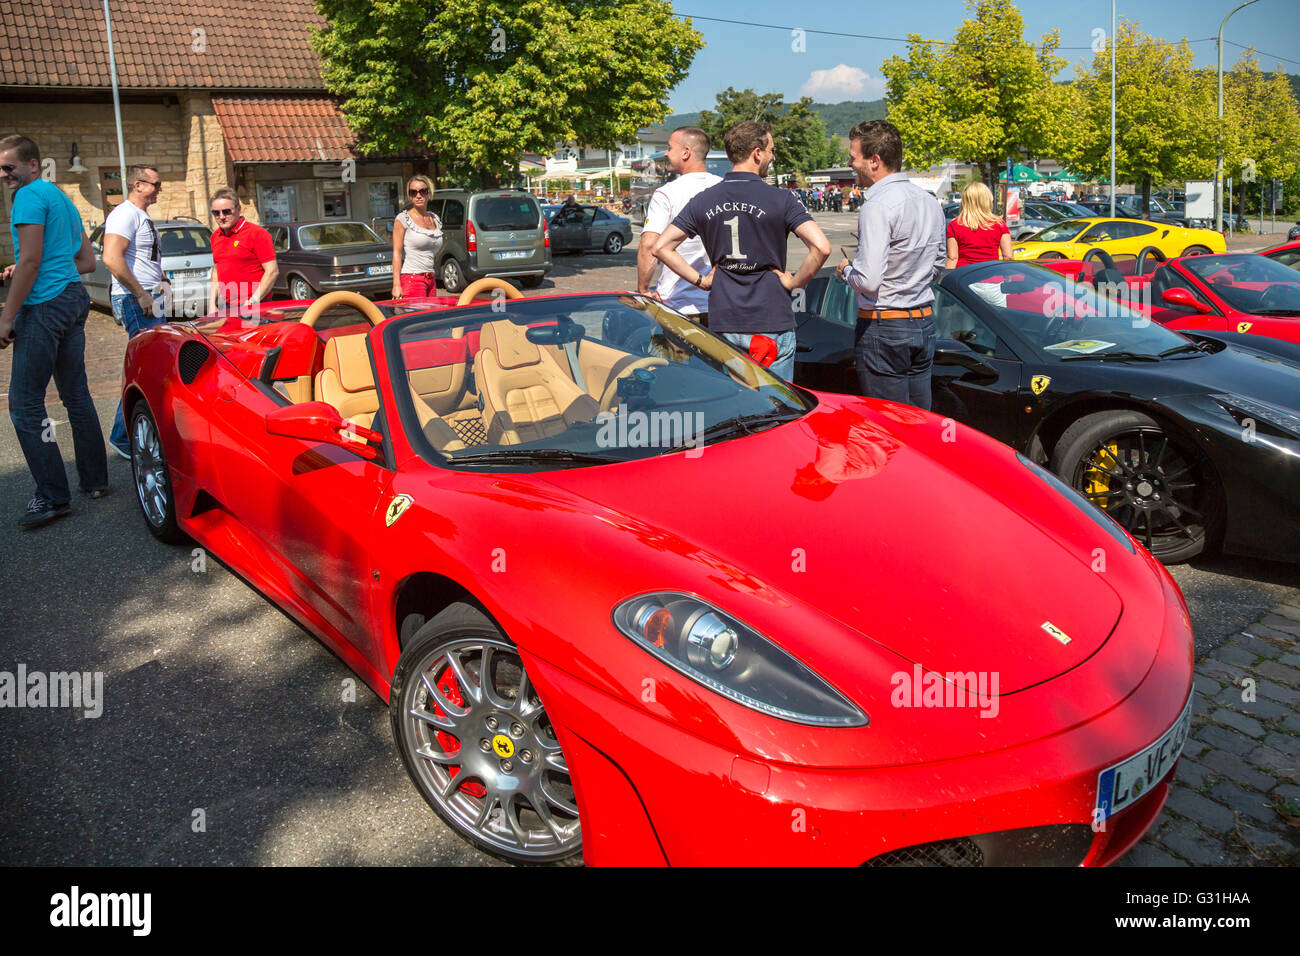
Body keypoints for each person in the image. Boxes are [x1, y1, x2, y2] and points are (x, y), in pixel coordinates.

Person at [654, 121, 830, 380]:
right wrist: (794, 282)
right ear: (757, 153)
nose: (773, 156)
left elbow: (661, 247)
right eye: (771, 149)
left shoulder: (704, 199)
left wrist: (701, 281)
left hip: (725, 319)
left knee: (738, 404)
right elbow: (822, 247)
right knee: (778, 405)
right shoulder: (781, 199)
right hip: (771, 319)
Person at [0, 134, 108, 527]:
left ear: (32, 164)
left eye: (9, 167)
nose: (4, 175)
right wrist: (31, 267)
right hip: (71, 298)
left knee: (25, 406)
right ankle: (95, 481)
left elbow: (30, 262)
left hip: (44, 306)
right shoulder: (61, 198)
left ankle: (51, 495)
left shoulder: (28, 197)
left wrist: (6, 317)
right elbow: (85, 261)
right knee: (76, 394)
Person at [837, 119, 946, 409]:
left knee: (889, 426)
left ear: (874, 161)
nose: (850, 163)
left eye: (853, 157)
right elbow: (938, 264)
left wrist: (846, 270)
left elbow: (868, 280)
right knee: (918, 421)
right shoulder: (928, 201)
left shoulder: (878, 205)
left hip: (885, 325)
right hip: (922, 321)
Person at [103, 163, 167, 458]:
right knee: (144, 368)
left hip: (148, 297)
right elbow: (112, 258)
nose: (159, 190)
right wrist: (141, 293)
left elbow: (143, 258)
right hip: (136, 300)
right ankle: (122, 436)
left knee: (153, 366)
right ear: (138, 185)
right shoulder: (125, 214)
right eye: (156, 184)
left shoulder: (140, 215)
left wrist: (160, 279)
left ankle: (143, 428)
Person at [635, 126, 721, 321]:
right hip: (722, 303)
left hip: (679, 304)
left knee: (676, 352)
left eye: (669, 148)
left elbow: (649, 244)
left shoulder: (668, 193)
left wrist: (644, 289)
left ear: (685, 152)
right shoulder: (725, 188)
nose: (666, 153)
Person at [207, 186, 277, 314]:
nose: (221, 216)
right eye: (216, 213)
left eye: (226, 211)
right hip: (228, 307)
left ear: (238, 209)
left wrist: (253, 301)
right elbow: (217, 270)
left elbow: (272, 271)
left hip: (257, 306)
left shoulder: (257, 233)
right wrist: (212, 303)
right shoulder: (215, 236)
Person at [391, 174, 443, 299]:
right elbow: (397, 253)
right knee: (417, 317)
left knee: (430, 318)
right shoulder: (403, 219)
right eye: (413, 192)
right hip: (412, 279)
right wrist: (396, 284)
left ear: (429, 193)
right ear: (410, 196)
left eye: (422, 191)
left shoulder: (434, 218)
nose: (418, 195)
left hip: (431, 278)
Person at [945, 180, 1012, 269]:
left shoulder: (955, 225)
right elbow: (1008, 256)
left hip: (964, 276)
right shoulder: (999, 224)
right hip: (992, 275)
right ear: (987, 200)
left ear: (965, 201)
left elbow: (952, 258)